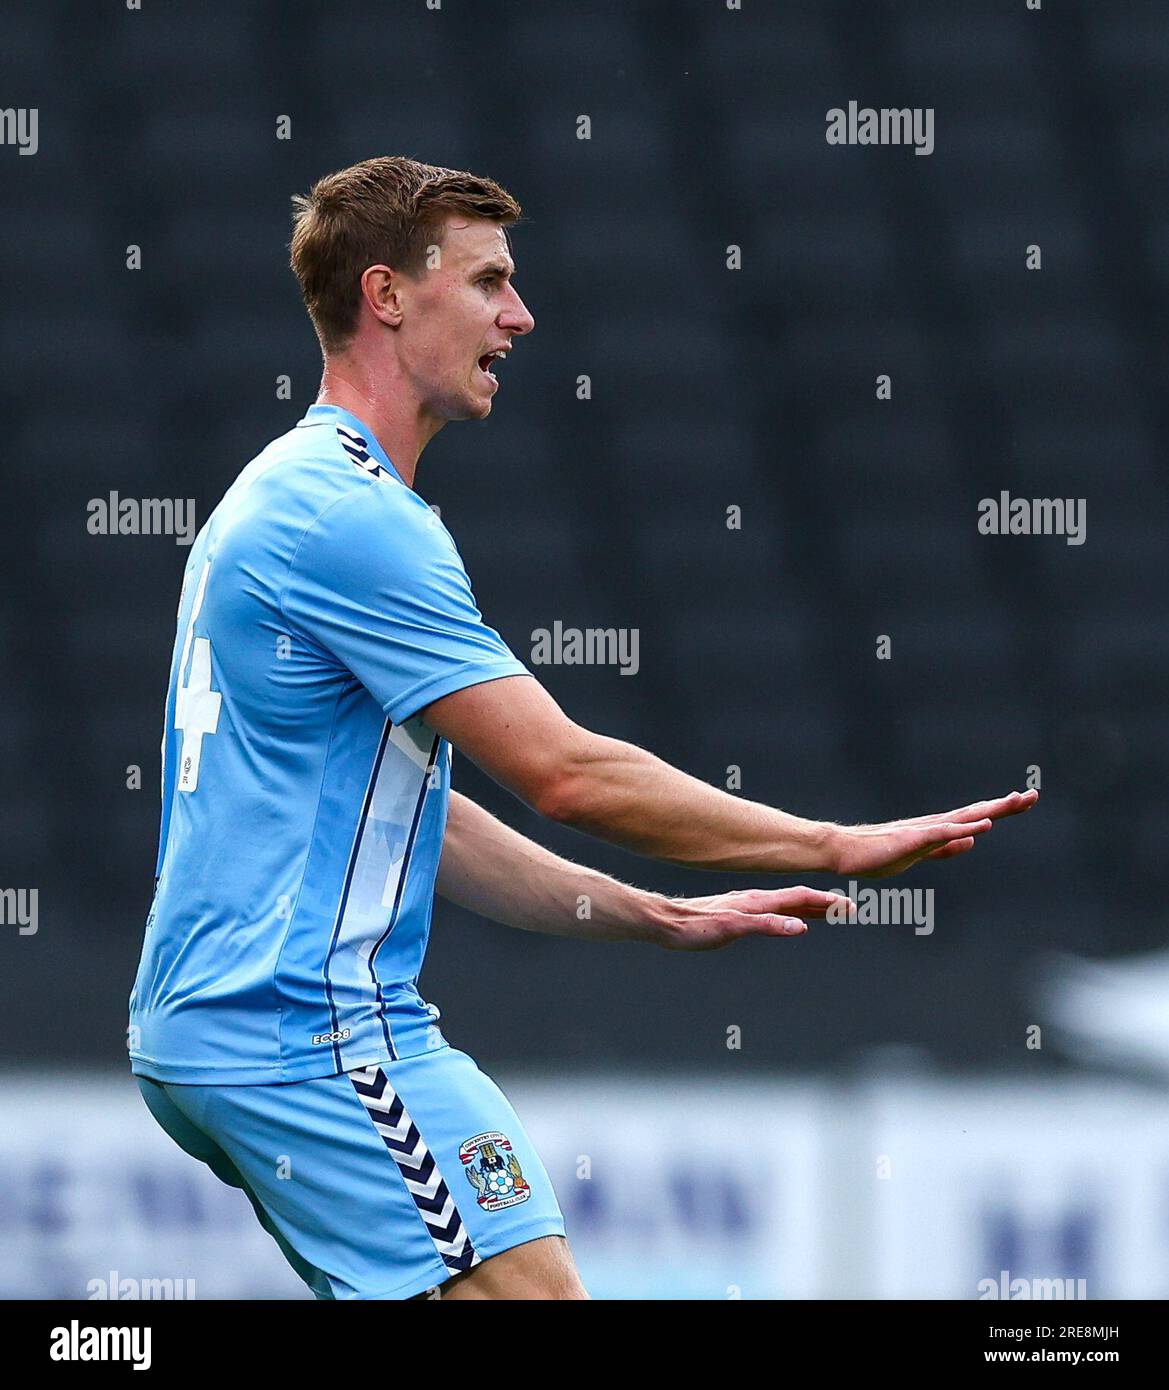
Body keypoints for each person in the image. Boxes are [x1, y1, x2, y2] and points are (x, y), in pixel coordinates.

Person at [128, 156, 1037, 1301]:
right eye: (488, 280)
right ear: (387, 295)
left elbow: (408, 818)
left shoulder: (279, 493)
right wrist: (829, 842)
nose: (520, 314)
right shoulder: (349, 519)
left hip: (224, 1031)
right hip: (306, 1034)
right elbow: (565, 773)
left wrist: (648, 915)